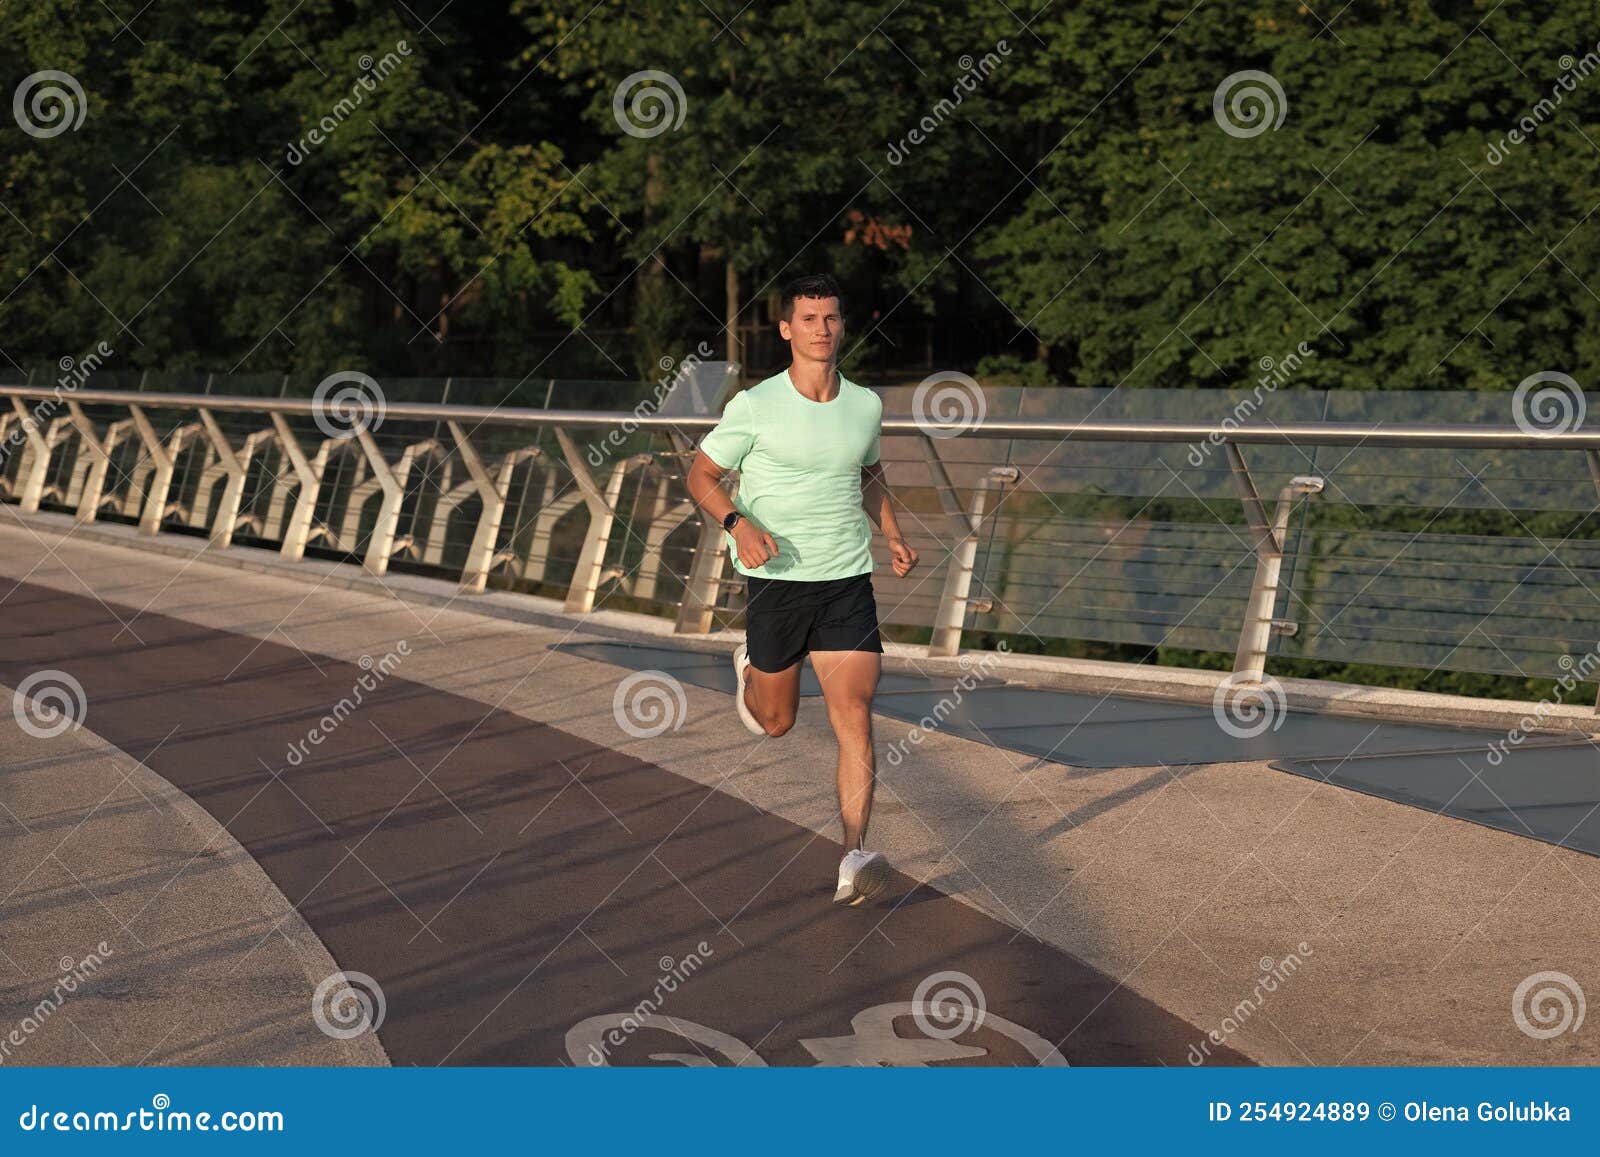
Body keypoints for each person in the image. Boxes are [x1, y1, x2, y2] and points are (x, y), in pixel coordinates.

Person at [687, 273, 919, 906]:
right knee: (778, 722)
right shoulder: (754, 406)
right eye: (809, 319)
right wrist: (738, 522)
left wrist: (892, 533)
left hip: (847, 579)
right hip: (776, 584)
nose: (822, 329)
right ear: (787, 329)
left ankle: (854, 857)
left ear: (843, 325)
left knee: (856, 718)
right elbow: (702, 474)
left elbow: (869, 473)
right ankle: (749, 676)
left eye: (832, 318)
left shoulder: (865, 404)